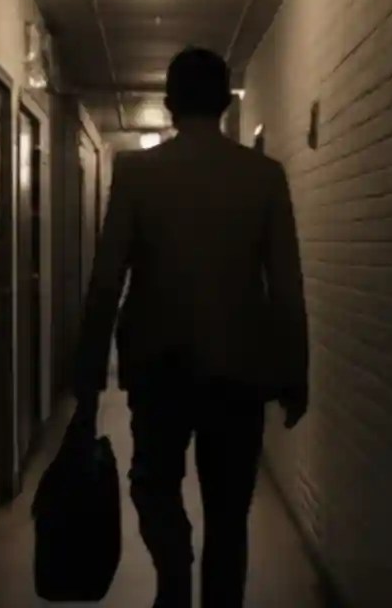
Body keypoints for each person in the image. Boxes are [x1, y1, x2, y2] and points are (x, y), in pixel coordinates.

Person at [72, 46, 309, 608]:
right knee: (230, 514)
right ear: (226, 103)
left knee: (154, 485)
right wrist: (296, 370)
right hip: (240, 372)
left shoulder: (138, 175)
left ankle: (174, 573)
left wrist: (88, 378)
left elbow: (107, 282)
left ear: (170, 104)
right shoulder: (264, 177)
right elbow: (287, 287)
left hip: (159, 367)